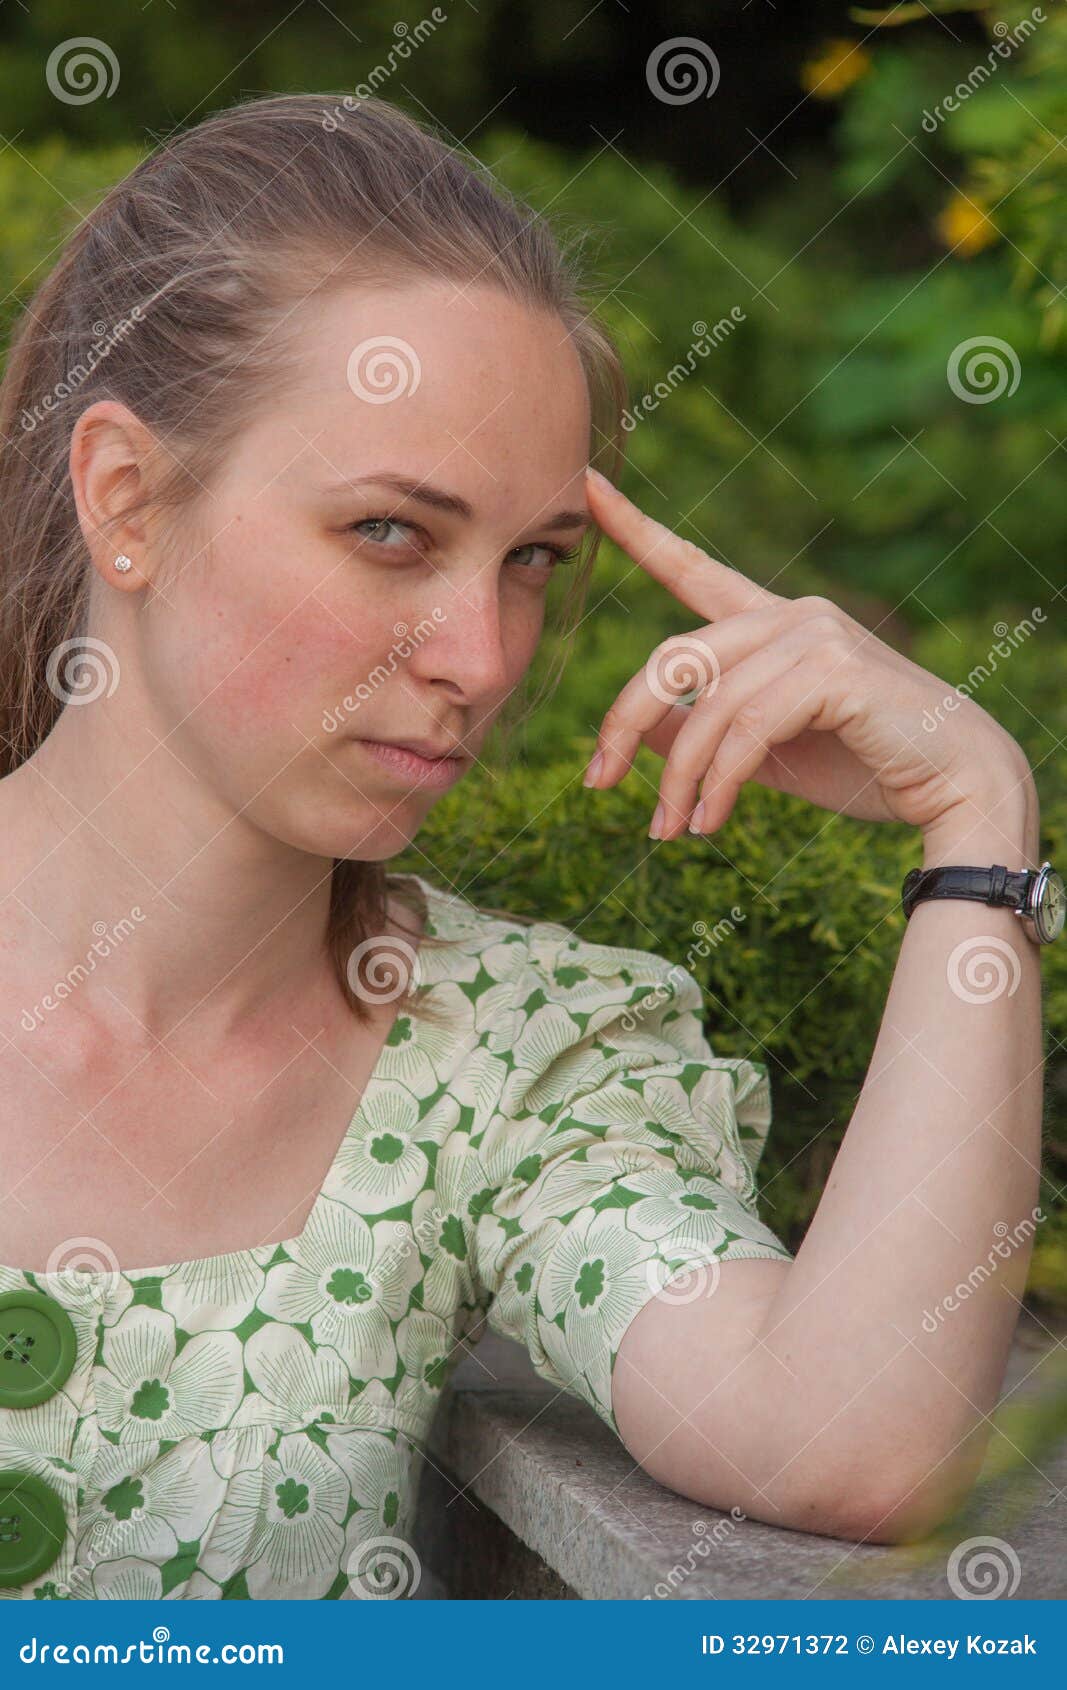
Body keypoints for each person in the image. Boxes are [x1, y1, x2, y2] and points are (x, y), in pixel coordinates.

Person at [0, 91, 1050, 1601]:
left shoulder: (502, 1061)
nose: (483, 656)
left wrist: (977, 819)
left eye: (533, 562)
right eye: (391, 535)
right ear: (129, 500)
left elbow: (852, 1437)